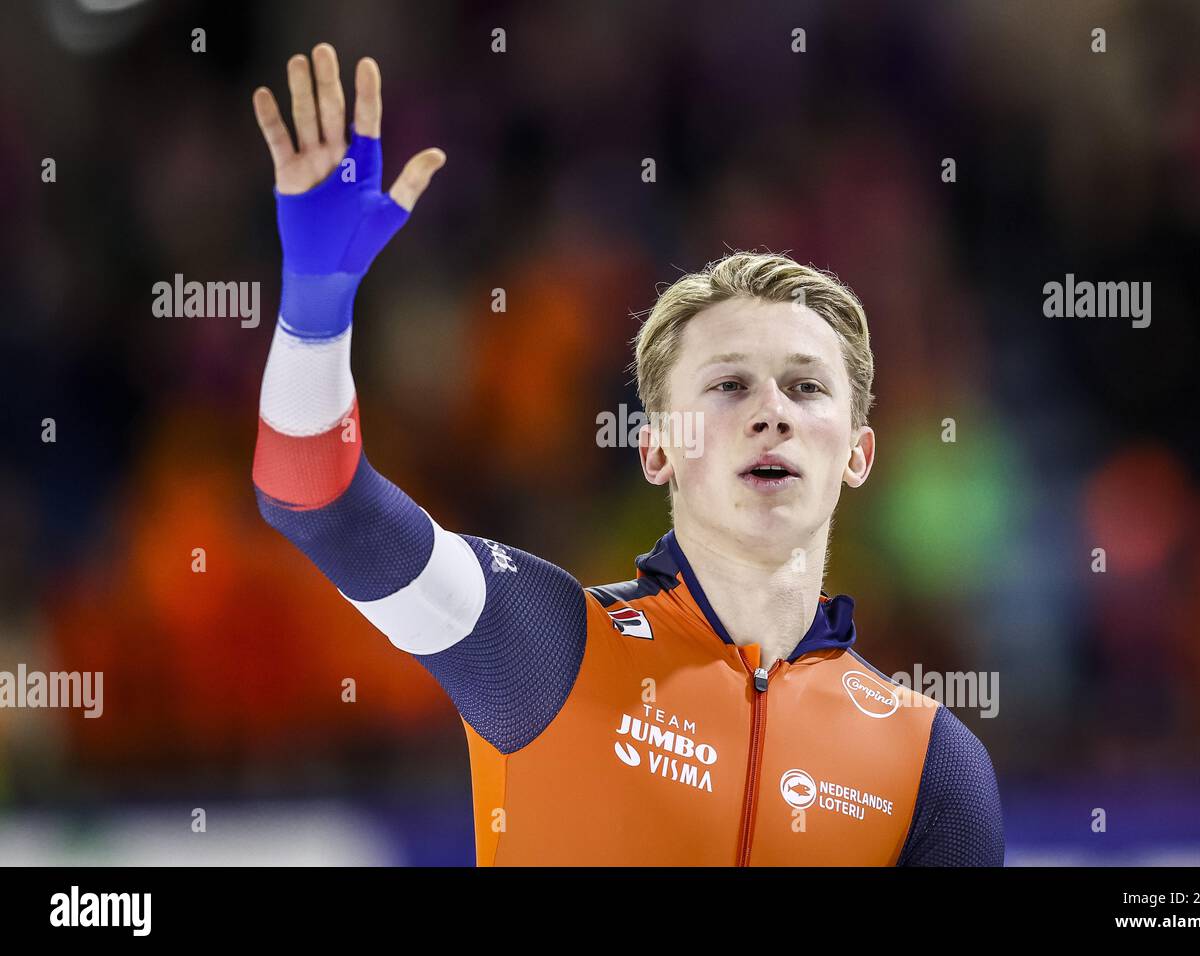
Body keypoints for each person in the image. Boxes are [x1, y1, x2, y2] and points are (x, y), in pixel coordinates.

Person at [251, 43, 1004, 866]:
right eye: (726, 386)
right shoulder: (542, 644)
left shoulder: (933, 765)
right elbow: (317, 502)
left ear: (859, 454)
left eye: (806, 387)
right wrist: (316, 300)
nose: (771, 415)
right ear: (655, 451)